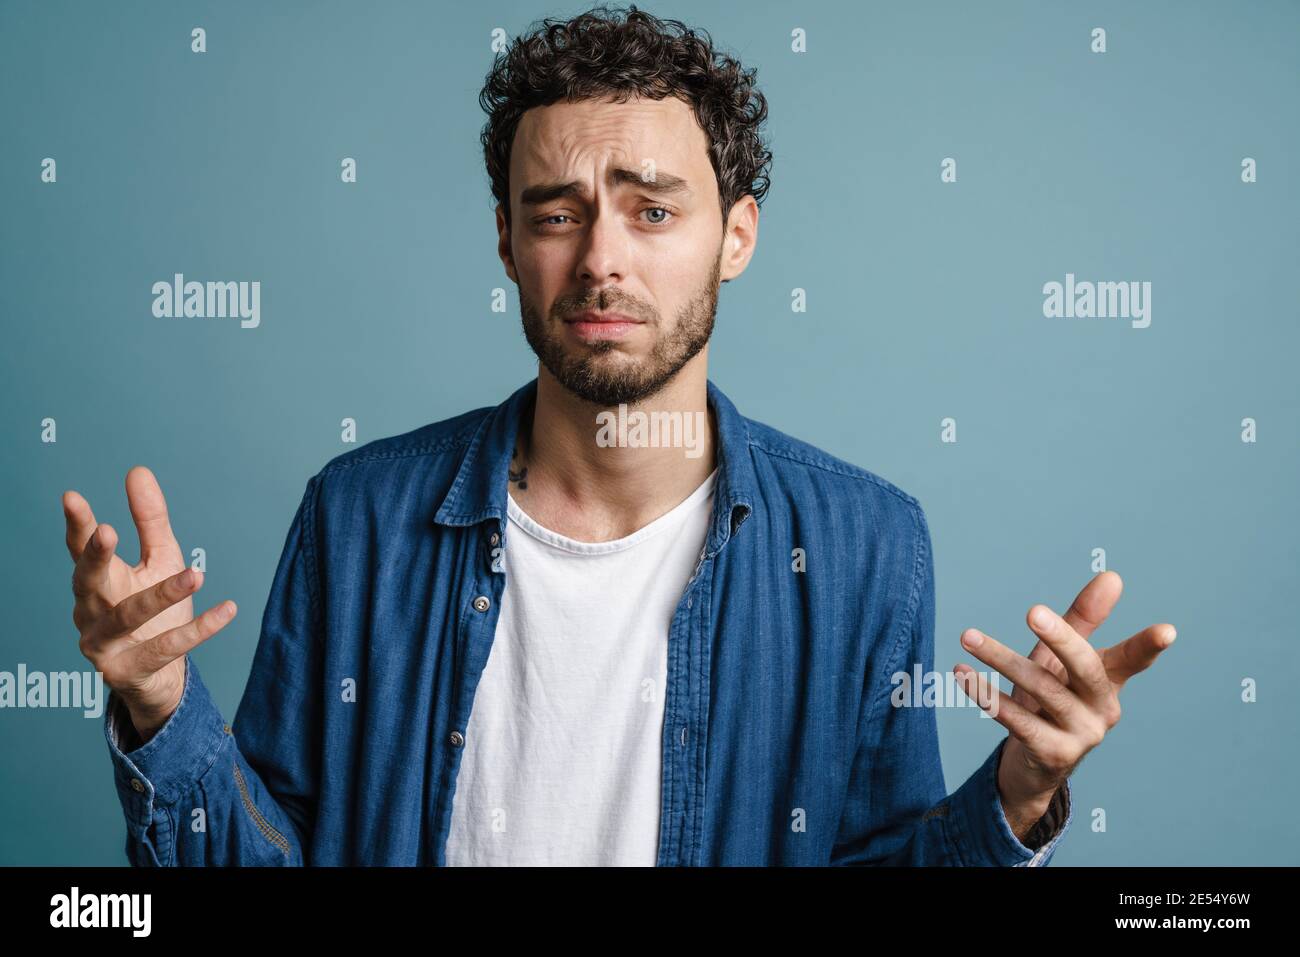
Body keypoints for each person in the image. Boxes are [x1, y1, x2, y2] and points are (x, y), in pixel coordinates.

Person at [64, 4, 1175, 866]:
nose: (601, 257)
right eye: (556, 211)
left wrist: (1020, 794)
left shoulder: (862, 542)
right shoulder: (359, 515)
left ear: (735, 237)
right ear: (506, 241)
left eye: (652, 209)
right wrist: (160, 709)